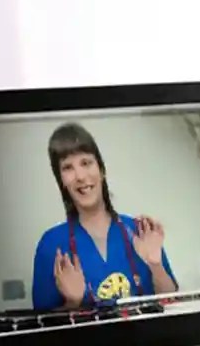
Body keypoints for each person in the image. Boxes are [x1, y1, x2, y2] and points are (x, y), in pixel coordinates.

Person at [31, 122, 179, 311]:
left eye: (86, 163)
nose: (80, 176)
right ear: (61, 181)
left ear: (101, 170)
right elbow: (42, 332)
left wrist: (156, 266)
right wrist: (73, 303)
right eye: (68, 167)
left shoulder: (139, 230)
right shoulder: (51, 245)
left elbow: (173, 303)